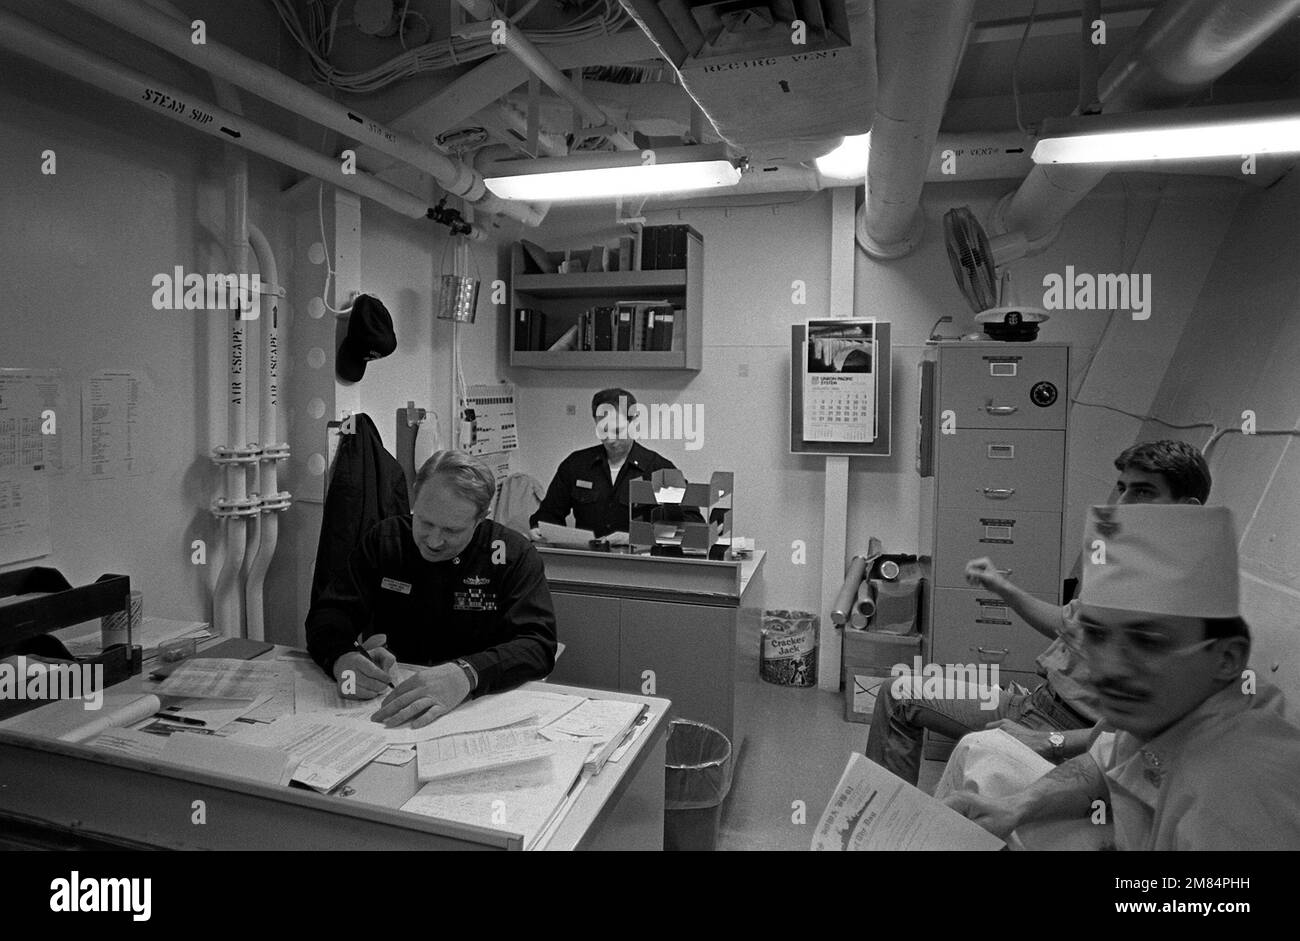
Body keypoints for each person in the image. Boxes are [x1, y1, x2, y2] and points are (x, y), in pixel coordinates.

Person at [944, 504, 1300, 850]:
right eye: (1097, 635)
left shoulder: (1240, 792)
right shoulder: (1159, 714)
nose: (1111, 668)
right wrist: (1016, 806)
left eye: (1148, 641)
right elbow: (1102, 762)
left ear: (1227, 657)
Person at [864, 440, 1211, 784]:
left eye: (1144, 493)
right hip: (1035, 704)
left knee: (973, 770)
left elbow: (1139, 737)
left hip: (1069, 731)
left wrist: (1050, 742)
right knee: (898, 694)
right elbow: (1067, 623)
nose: (1121, 504)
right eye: (1121, 488)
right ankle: (883, 823)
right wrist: (1004, 590)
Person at [306, 450, 557, 728]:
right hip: (393, 699)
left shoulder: (512, 554)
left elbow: (537, 645)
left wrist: (468, 673)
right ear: (416, 495)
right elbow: (329, 614)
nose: (434, 541)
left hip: (479, 704)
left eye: (451, 531)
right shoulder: (386, 540)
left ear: (480, 518)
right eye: (425, 522)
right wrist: (343, 656)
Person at [529, 387, 685, 541]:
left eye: (617, 430)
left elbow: (686, 528)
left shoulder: (660, 469)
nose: (610, 439)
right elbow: (548, 515)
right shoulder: (576, 464)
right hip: (587, 560)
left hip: (640, 561)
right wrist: (539, 529)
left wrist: (635, 538)